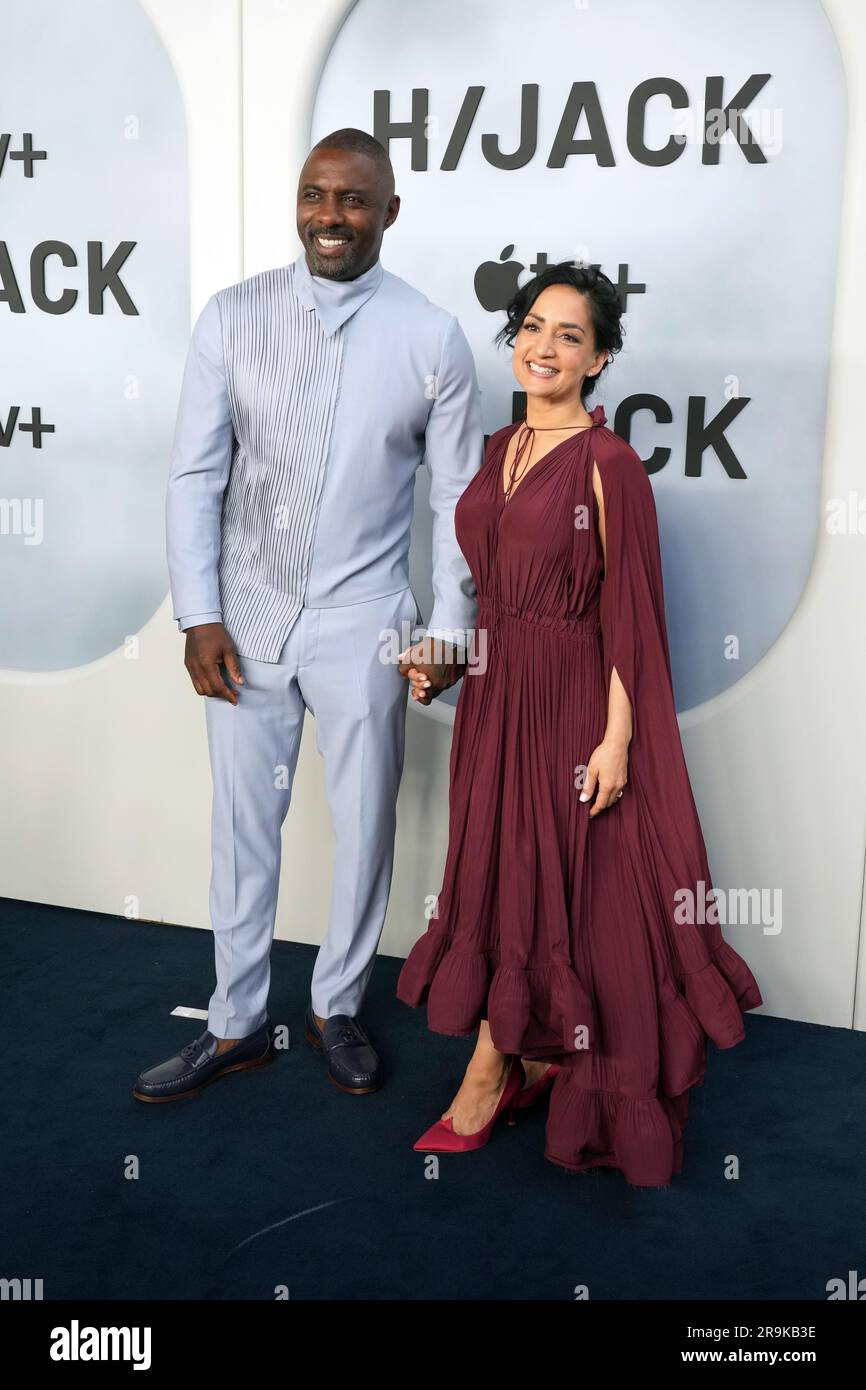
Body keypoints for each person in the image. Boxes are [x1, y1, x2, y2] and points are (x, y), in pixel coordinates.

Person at [133, 129, 483, 1103]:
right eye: (315, 195)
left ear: (389, 213)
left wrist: (451, 625)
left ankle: (335, 1005)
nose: (330, 215)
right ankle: (236, 1021)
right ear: (298, 201)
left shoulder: (429, 335)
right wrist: (198, 614)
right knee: (241, 826)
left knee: (365, 821)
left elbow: (458, 496)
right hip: (245, 616)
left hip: (367, 617)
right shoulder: (232, 317)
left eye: (353, 200)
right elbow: (197, 471)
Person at [398, 262, 762, 1188]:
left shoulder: (611, 467)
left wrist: (617, 741)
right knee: (501, 876)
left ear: (600, 357)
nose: (544, 346)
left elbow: (632, 617)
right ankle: (524, 1050)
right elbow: (480, 586)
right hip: (498, 692)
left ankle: (490, 1074)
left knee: (572, 882)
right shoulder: (492, 448)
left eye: (569, 335)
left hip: (574, 698)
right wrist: (445, 666)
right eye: (532, 327)